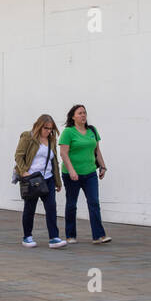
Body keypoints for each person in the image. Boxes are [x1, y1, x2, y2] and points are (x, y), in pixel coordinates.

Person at [59, 104, 110, 244]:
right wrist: (71, 170)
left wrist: (103, 167)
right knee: (71, 204)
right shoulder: (68, 132)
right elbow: (63, 153)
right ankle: (70, 235)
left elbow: (97, 150)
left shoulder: (92, 130)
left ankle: (99, 236)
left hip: (90, 173)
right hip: (71, 174)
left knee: (94, 202)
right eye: (80, 113)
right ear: (73, 117)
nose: (83, 115)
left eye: (84, 113)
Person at [13, 114, 66, 249]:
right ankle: (27, 237)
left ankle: (54, 238)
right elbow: (18, 156)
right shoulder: (27, 137)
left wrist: (58, 181)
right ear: (39, 126)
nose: (48, 131)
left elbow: (54, 161)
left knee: (51, 208)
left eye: (51, 129)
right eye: (46, 128)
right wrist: (24, 171)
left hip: (48, 179)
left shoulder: (52, 140)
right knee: (30, 208)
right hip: (32, 179)